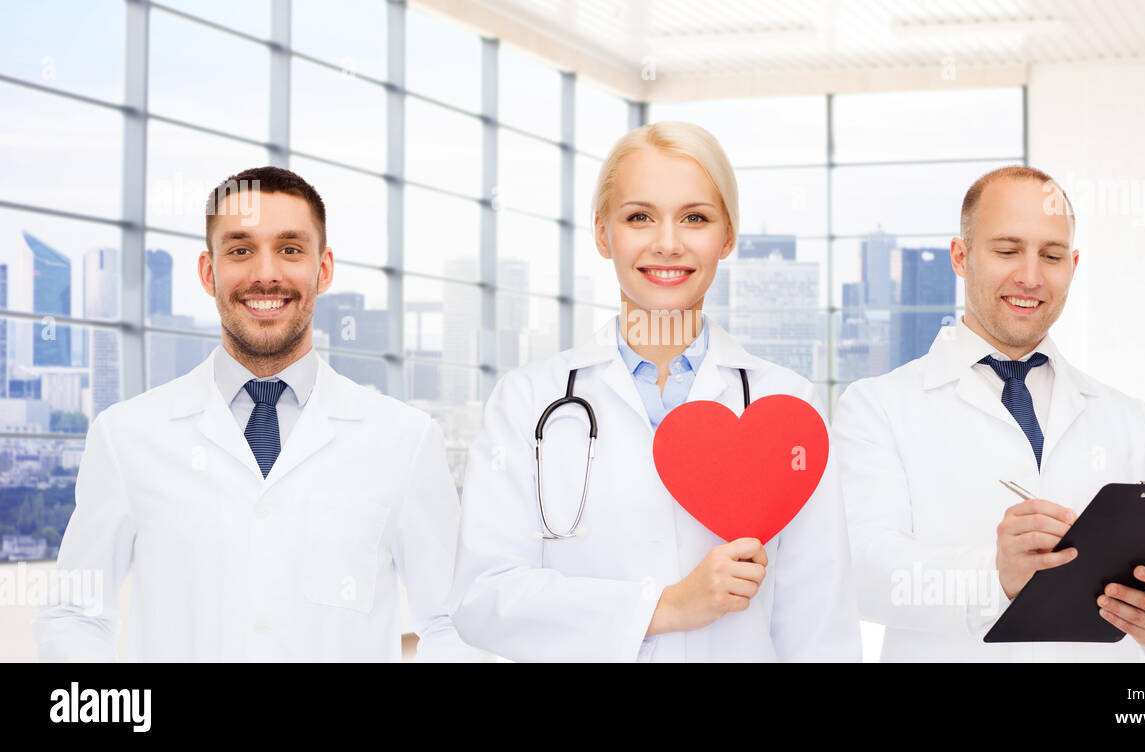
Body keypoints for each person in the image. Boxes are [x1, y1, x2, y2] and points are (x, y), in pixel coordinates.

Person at [450, 122, 860, 661]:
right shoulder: (528, 402)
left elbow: (818, 624)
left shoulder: (786, 406)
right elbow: (484, 598)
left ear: (727, 236)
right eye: (639, 217)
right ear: (602, 234)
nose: (667, 243)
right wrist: (666, 606)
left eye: (695, 218)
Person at [34, 166, 479, 661]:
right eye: (240, 249)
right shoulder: (126, 436)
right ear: (209, 272)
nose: (265, 273)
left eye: (290, 249)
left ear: (323, 268)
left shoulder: (404, 440)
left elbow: (453, 623)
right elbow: (75, 614)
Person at [832, 166, 1145, 661]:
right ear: (961, 257)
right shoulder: (877, 407)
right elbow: (859, 570)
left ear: (1074, 263)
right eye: (1006, 250)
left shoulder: (1127, 419)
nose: (1030, 276)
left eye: (1052, 255)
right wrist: (994, 575)